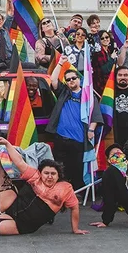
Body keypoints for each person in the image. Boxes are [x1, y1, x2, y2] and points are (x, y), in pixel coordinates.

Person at [45, 61, 101, 193]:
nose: (71, 81)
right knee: (60, 168)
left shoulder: (89, 96)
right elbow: (52, 79)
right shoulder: (64, 92)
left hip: (79, 140)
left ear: (79, 80)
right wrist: (59, 63)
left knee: (77, 169)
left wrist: (91, 130)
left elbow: (96, 115)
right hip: (61, 137)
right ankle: (60, 192)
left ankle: (77, 194)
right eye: (68, 79)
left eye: (73, 78)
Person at [91, 29, 116, 95]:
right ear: (99, 40)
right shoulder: (98, 52)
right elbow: (104, 70)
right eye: (102, 38)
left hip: (108, 83)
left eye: (107, 37)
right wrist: (112, 58)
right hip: (100, 85)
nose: (105, 39)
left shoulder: (108, 51)